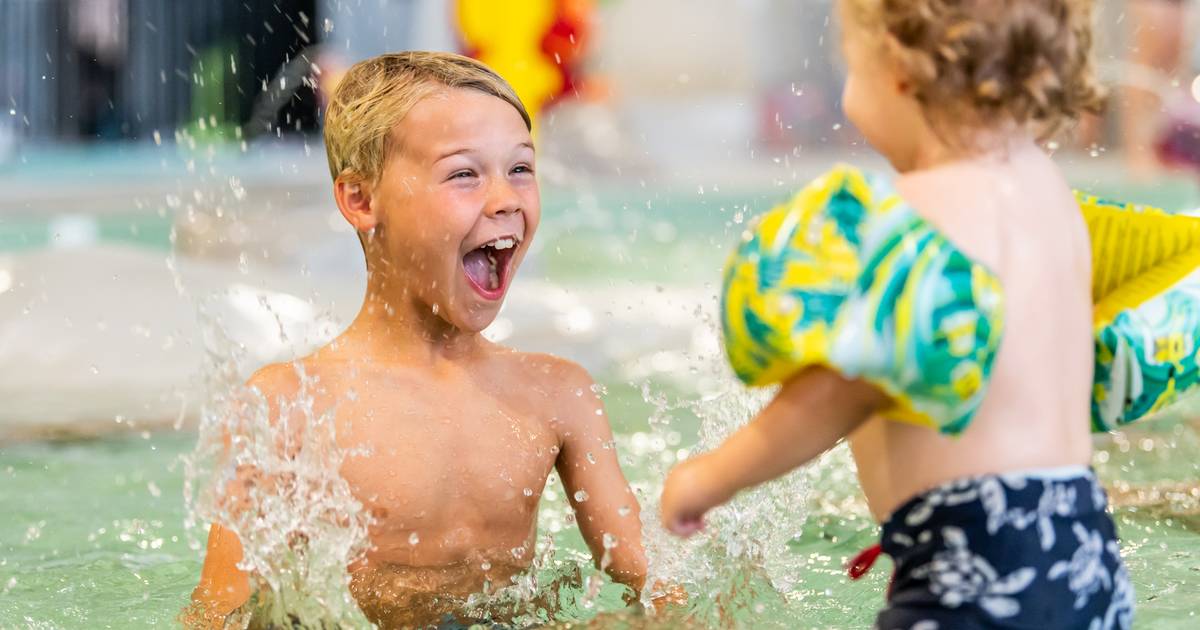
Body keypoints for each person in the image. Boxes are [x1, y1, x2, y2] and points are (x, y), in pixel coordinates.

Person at [661, 1, 1138, 627]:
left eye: (850, 66)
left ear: (901, 69)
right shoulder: (1048, 193)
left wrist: (710, 478)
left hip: (978, 562)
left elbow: (840, 391)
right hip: (1087, 551)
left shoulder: (918, 216)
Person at [186, 51, 648, 628]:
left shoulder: (558, 393)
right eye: (463, 173)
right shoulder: (289, 407)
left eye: (521, 169)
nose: (506, 199)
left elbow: (652, 580)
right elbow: (218, 614)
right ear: (360, 200)